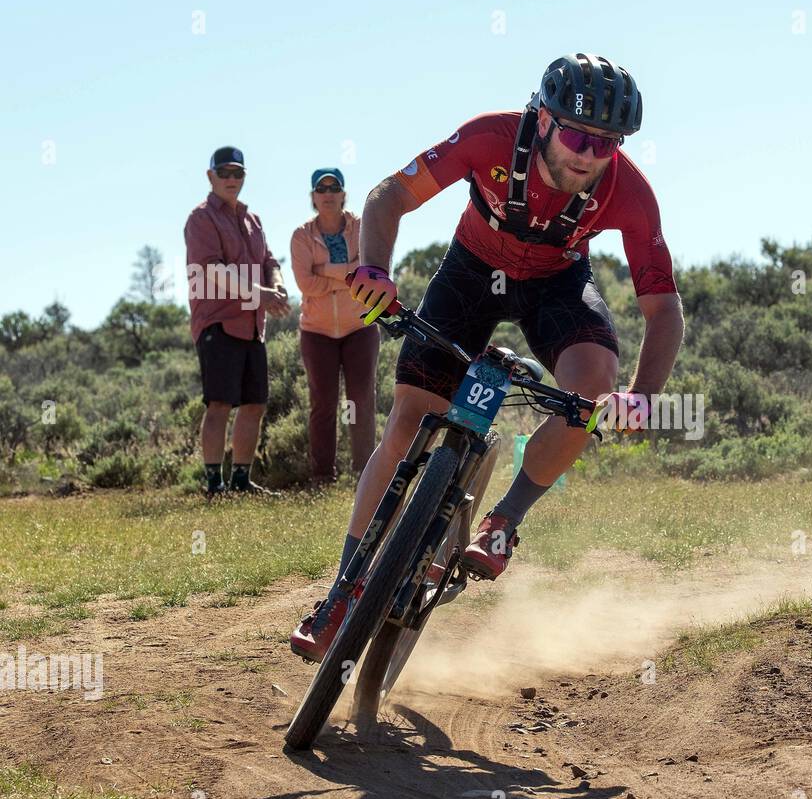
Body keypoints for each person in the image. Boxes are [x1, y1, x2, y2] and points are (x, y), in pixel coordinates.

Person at [291, 53, 683, 661]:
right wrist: (373, 270)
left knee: (592, 391)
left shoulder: (629, 192)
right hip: (471, 271)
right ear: (544, 120)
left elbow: (664, 310)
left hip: (557, 285)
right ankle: (345, 589)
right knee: (407, 423)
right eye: (577, 134)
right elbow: (388, 196)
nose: (587, 154)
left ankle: (502, 522)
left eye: (606, 144)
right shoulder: (488, 137)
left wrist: (642, 397)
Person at [185, 146, 290, 497]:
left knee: (255, 404)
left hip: (252, 326)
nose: (232, 179)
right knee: (218, 404)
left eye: (238, 173)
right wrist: (261, 294)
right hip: (217, 322)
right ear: (210, 176)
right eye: (225, 173)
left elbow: (270, 259)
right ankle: (214, 485)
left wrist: (277, 285)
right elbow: (212, 269)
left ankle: (241, 482)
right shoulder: (201, 219)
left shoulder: (252, 219)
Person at [290, 168, 377, 483]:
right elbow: (306, 284)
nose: (328, 194)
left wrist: (324, 269)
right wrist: (347, 276)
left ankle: (364, 472)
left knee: (360, 400)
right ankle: (323, 475)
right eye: (321, 189)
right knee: (323, 404)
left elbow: (366, 270)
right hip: (317, 333)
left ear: (343, 194)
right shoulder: (301, 236)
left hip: (360, 328)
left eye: (334, 187)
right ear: (313, 197)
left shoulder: (361, 227)